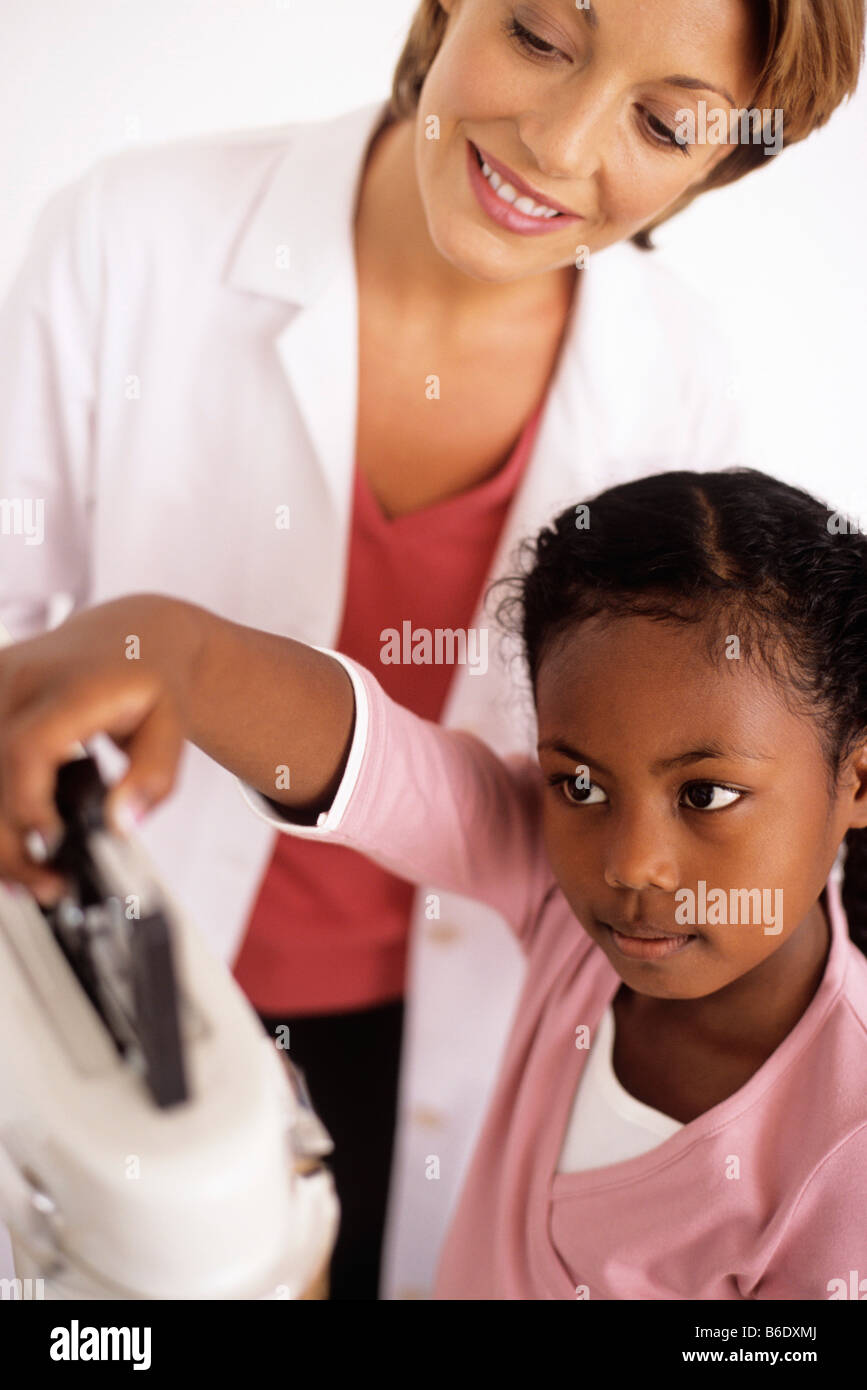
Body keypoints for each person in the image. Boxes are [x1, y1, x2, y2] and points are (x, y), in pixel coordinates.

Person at [0, 0, 863, 1299]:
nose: (556, 142)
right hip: (103, 973)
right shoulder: (129, 237)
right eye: (535, 35)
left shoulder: (680, 385)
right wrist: (143, 661)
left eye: (661, 120)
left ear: (722, 157)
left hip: (426, 1048)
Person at [2, 465, 867, 1299]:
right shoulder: (559, 897)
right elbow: (371, 762)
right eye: (580, 784)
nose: (629, 863)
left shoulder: (846, 1149)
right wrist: (171, 649)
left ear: (856, 781)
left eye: (705, 794)